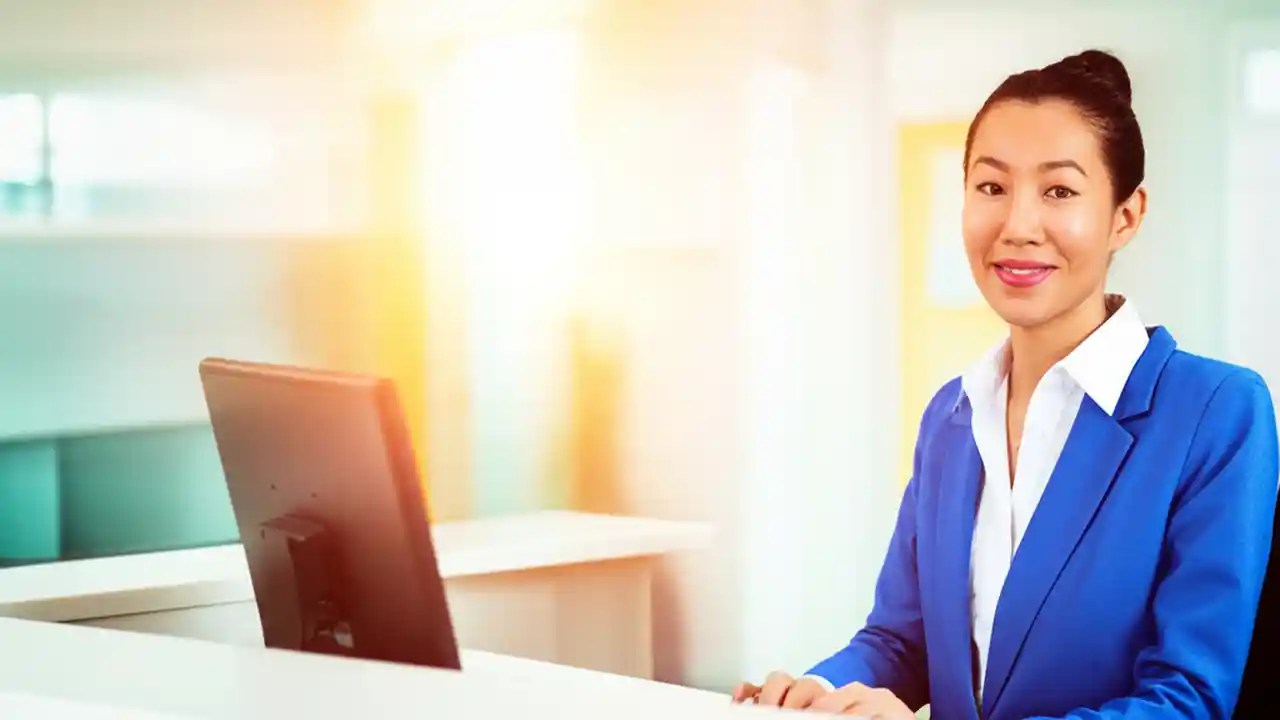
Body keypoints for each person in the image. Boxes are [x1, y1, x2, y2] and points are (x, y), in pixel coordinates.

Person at [731, 49, 1279, 719]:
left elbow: (1186, 701)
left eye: (1059, 191)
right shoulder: (952, 416)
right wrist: (818, 691)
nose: (1017, 227)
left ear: (1126, 215)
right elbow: (902, 644)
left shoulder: (1216, 412)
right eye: (991, 187)